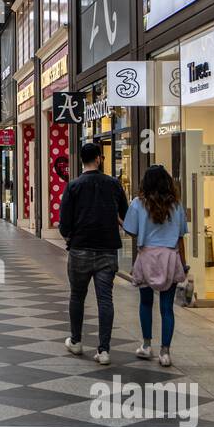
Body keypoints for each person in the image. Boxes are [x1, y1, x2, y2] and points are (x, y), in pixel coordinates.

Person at [59, 142, 129, 365]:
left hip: (79, 249)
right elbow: (125, 215)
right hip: (107, 250)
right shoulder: (113, 184)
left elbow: (63, 224)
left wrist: (70, 236)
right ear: (99, 159)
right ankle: (104, 350)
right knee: (105, 300)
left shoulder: (73, 186)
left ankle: (77, 342)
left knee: (77, 296)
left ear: (81, 160)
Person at [125, 165, 188, 368]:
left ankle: (146, 345)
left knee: (145, 303)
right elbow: (180, 237)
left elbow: (131, 232)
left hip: (147, 257)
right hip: (170, 256)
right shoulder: (176, 205)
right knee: (167, 307)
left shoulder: (137, 203)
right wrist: (184, 264)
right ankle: (165, 352)